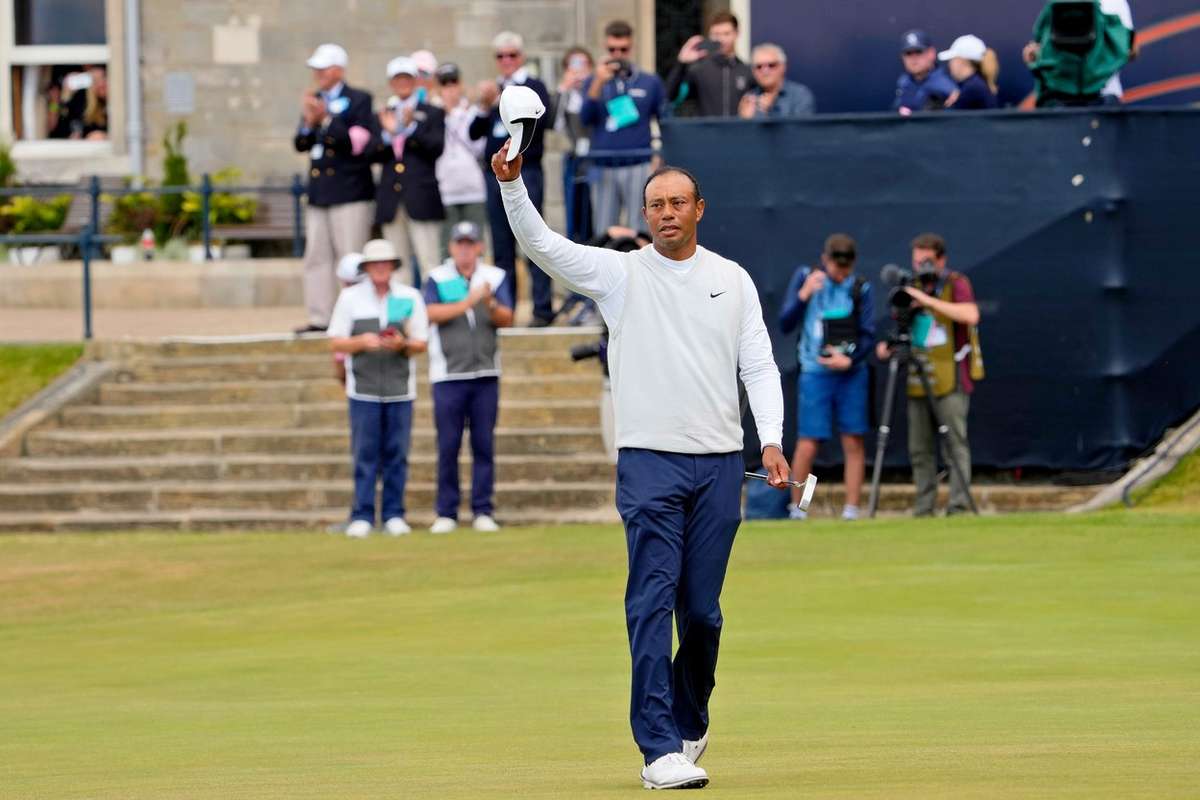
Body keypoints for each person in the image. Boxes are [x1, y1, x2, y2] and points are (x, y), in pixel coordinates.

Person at [493, 144, 787, 790]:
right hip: (649, 462)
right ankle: (658, 749)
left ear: (699, 209)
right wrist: (514, 186)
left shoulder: (731, 279)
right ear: (646, 214)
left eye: (678, 202)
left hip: (717, 466)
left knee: (703, 613)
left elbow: (759, 365)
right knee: (651, 601)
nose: (666, 213)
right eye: (656, 205)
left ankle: (689, 712)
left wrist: (771, 440)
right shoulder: (620, 275)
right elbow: (542, 245)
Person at [327, 239, 429, 537]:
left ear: (393, 266)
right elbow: (335, 341)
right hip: (363, 388)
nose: (381, 268)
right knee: (365, 453)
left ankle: (395, 513)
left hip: (400, 387)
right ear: (367, 268)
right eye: (375, 264)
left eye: (386, 263)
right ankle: (362, 513)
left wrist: (402, 344)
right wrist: (361, 342)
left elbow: (420, 343)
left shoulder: (409, 296)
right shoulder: (350, 299)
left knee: (397, 452)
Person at [875, 233, 983, 517]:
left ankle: (958, 506)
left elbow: (970, 315)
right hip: (917, 378)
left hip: (951, 380)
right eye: (917, 260)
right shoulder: (909, 288)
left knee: (955, 445)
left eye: (928, 260)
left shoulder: (955, 283)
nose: (922, 266)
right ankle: (924, 507)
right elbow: (899, 330)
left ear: (941, 259)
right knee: (919, 449)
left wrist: (926, 300)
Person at [423, 221, 515, 534]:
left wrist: (487, 301)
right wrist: (466, 302)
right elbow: (431, 313)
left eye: (470, 243)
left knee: (483, 444)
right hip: (448, 374)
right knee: (448, 445)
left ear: (479, 247)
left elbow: (507, 317)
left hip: (486, 373)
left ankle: (482, 509)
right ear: (451, 248)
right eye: (459, 244)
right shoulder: (438, 277)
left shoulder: (494, 276)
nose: (465, 249)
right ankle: (446, 511)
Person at [778, 234, 875, 521]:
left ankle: (851, 510)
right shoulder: (806, 278)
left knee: (853, 441)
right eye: (835, 266)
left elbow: (868, 334)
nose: (839, 273)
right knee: (809, 442)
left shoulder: (860, 288)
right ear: (825, 259)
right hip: (815, 374)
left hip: (851, 374)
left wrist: (850, 359)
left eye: (845, 268)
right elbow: (785, 322)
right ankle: (800, 508)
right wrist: (803, 294)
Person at [469, 31, 555, 327]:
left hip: (527, 170)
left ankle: (542, 310)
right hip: (495, 172)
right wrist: (484, 105)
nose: (506, 61)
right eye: (500, 56)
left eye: (511, 55)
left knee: (532, 238)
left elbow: (544, 122)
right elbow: (474, 133)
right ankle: (506, 309)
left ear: (520, 57)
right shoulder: (494, 90)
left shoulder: (533, 85)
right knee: (501, 245)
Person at [294, 44, 377, 333]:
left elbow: (356, 144)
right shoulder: (314, 100)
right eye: (316, 68)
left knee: (350, 255)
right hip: (320, 192)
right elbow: (301, 143)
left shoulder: (359, 100)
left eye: (324, 68)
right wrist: (308, 122)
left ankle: (354, 317)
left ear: (339, 70)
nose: (318, 74)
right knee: (316, 256)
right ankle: (320, 317)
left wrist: (326, 120)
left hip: (349, 190)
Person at [581, 21, 666, 233]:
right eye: (612, 50)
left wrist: (660, 157)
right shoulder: (594, 81)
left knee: (643, 227)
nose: (618, 55)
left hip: (638, 162)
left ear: (632, 48)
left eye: (623, 49)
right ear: (605, 48)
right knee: (604, 229)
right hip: (603, 163)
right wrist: (597, 83)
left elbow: (664, 119)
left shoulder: (649, 81)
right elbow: (584, 119)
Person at [374, 55, 446, 287]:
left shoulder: (431, 112)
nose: (402, 83)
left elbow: (436, 147)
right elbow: (371, 153)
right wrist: (389, 134)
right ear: (391, 82)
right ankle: (402, 319)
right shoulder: (384, 113)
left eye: (407, 78)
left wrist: (411, 129)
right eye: (398, 78)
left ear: (415, 80)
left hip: (420, 196)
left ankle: (432, 317)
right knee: (397, 267)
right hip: (392, 198)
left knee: (429, 261)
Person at [1023, 0, 1135, 106]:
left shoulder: (1115, 2)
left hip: (1106, 97)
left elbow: (1131, 49)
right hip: (1060, 97)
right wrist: (1037, 53)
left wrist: (1107, 50)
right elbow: (1043, 44)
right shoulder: (1058, 3)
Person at [435, 62, 490, 261]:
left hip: (473, 187)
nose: (450, 89)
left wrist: (459, 115)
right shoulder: (434, 113)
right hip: (445, 190)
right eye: (445, 84)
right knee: (447, 249)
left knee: (476, 246)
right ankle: (452, 292)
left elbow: (479, 147)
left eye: (453, 83)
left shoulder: (472, 113)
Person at [666, 11, 753, 117]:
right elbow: (670, 96)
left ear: (736, 33)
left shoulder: (746, 71)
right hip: (705, 132)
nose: (721, 39)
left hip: (738, 132)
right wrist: (681, 64)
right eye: (716, 34)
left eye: (726, 33)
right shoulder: (698, 70)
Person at [551, 46, 596, 243]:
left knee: (595, 210)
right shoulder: (567, 98)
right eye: (574, 66)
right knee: (574, 211)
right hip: (575, 159)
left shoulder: (598, 90)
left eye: (583, 66)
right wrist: (564, 87)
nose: (579, 72)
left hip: (597, 158)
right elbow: (553, 122)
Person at [738, 43, 816, 119]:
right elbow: (742, 131)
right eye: (759, 67)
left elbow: (800, 130)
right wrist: (745, 121)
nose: (765, 71)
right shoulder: (748, 99)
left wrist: (768, 112)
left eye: (771, 65)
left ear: (783, 67)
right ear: (753, 71)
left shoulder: (800, 95)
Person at [893, 30, 960, 114]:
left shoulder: (946, 85)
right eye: (908, 53)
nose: (914, 58)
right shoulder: (903, 81)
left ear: (931, 53)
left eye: (918, 51)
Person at [939, 35, 999, 110]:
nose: (949, 64)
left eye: (952, 59)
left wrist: (951, 104)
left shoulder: (972, 88)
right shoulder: (974, 84)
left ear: (962, 61)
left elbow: (951, 119)